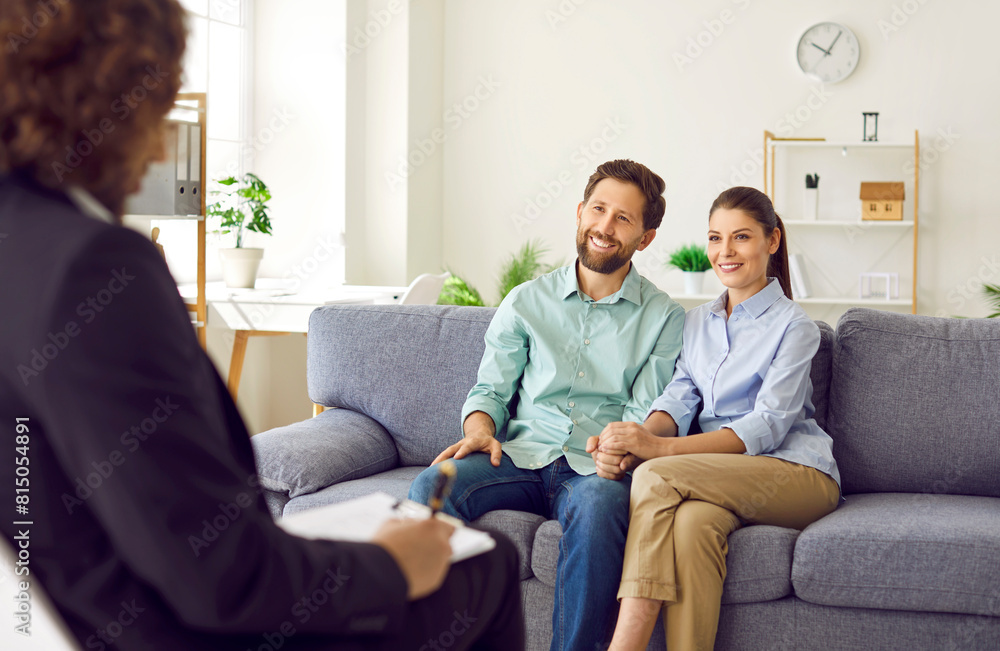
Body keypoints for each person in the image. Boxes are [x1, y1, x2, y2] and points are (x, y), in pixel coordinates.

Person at [0, 1, 523, 649]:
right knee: (485, 562)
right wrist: (390, 565)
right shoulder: (90, 266)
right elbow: (220, 579)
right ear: (105, 99)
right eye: (158, 106)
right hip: (181, 629)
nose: (161, 144)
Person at [409, 159, 686, 650]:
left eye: (623, 218)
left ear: (645, 237)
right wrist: (478, 428)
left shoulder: (664, 318)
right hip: (516, 457)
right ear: (580, 213)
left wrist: (620, 450)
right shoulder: (525, 301)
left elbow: (645, 413)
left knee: (602, 506)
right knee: (433, 484)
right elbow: (491, 391)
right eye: (598, 209)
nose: (604, 226)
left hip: (593, 470)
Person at [593, 186, 842, 651]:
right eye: (714, 238)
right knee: (690, 528)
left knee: (656, 476)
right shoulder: (696, 323)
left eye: (741, 237)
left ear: (772, 241)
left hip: (798, 476)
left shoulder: (795, 327)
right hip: (721, 480)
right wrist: (636, 438)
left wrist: (660, 451)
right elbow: (678, 399)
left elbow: (767, 425)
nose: (724, 252)